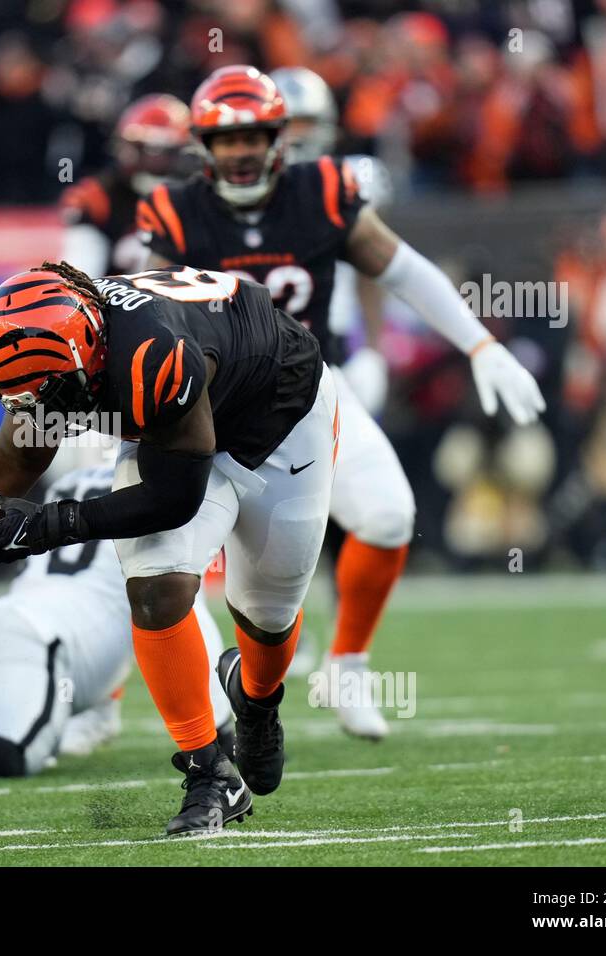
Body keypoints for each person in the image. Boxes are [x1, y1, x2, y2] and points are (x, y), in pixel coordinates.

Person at [137, 66, 545, 739]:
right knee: (167, 561)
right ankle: (207, 711)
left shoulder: (320, 193)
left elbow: (403, 268)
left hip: (309, 391)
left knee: (387, 516)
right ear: (202, 147)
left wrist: (480, 347)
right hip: (210, 407)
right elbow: (150, 313)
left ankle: (346, 664)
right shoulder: (175, 211)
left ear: (280, 136)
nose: (241, 151)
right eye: (225, 138)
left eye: (254, 135)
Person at [0, 259, 340, 836]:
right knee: (155, 584)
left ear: (90, 351)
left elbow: (170, 500)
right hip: (173, 425)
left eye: (54, 391)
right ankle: (209, 773)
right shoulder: (63, 347)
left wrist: (42, 527)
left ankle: (257, 699)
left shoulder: (153, 358)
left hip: (280, 418)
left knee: (269, 614)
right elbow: (25, 445)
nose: (46, 407)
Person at [0, 462, 233, 777]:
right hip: (39, 643)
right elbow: (182, 615)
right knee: (7, 754)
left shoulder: (74, 479)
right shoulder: (165, 490)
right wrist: (220, 730)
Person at [60, 93, 193, 277]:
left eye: (159, 152)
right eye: (142, 149)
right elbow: (79, 273)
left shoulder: (198, 195)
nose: (153, 161)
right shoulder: (100, 195)